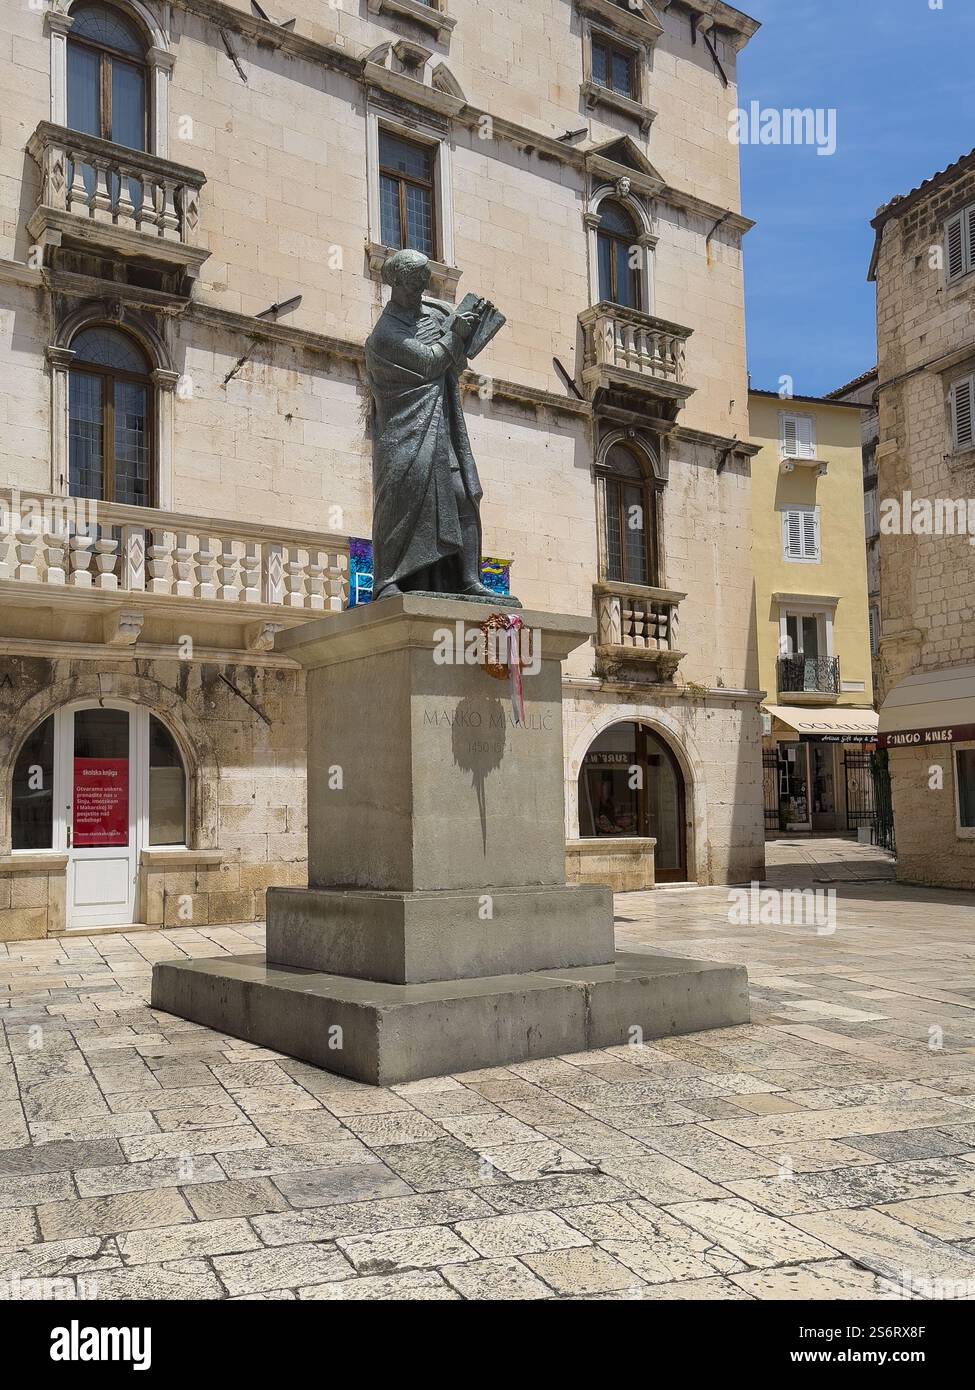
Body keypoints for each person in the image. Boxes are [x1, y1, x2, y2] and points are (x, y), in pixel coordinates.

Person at [364, 249, 498, 600]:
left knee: (463, 497)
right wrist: (456, 335)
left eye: (425, 282)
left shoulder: (436, 313)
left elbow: (454, 366)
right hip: (404, 433)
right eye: (416, 283)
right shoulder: (385, 336)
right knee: (400, 504)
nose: (423, 289)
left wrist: (470, 331)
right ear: (399, 284)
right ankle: (387, 581)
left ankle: (470, 579)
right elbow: (429, 363)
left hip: (442, 426)